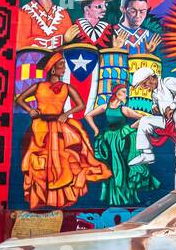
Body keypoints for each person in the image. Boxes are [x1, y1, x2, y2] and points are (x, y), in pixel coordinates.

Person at [14, 52, 111, 210]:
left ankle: (60, 198)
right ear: (52, 70)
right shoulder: (39, 86)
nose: (65, 69)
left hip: (59, 126)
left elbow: (80, 104)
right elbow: (19, 99)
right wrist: (30, 110)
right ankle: (43, 197)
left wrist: (66, 114)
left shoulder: (66, 87)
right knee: (40, 162)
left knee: (64, 161)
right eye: (61, 66)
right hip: (40, 127)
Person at [84, 84, 158, 207]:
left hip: (122, 140)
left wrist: (131, 127)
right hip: (109, 141)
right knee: (113, 168)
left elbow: (144, 119)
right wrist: (96, 129)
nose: (126, 94)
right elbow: (88, 115)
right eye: (123, 92)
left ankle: (124, 195)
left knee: (121, 168)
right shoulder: (104, 107)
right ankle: (115, 197)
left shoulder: (124, 110)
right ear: (117, 93)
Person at [129, 66, 176, 189]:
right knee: (145, 121)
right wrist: (155, 108)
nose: (144, 87)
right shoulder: (155, 94)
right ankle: (147, 153)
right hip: (175, 130)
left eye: (144, 84)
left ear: (151, 78)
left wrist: (172, 106)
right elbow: (162, 110)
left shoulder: (168, 82)